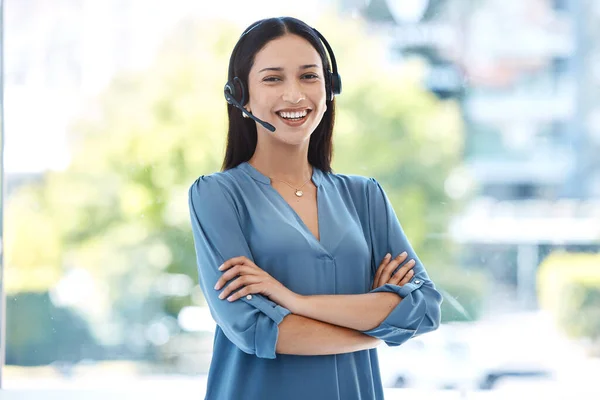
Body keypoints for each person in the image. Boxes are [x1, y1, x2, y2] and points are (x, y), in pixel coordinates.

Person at [188, 16, 443, 400]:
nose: (294, 95)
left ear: (330, 89)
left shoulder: (365, 196)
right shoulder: (217, 195)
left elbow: (424, 311)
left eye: (309, 76)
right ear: (241, 95)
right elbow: (256, 328)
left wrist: (295, 302)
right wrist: (379, 323)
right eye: (273, 79)